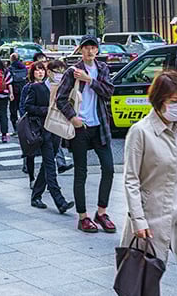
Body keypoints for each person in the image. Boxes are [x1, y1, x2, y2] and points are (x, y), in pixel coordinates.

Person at [121, 71, 177, 295]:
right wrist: (138, 220)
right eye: (174, 102)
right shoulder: (140, 132)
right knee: (145, 283)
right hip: (150, 216)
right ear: (159, 100)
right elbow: (131, 179)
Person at [56, 36, 116, 233]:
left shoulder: (102, 69)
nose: (90, 51)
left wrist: (90, 80)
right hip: (80, 127)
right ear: (80, 50)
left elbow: (109, 92)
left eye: (93, 47)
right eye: (86, 48)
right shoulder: (72, 72)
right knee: (81, 172)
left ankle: (102, 211)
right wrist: (73, 118)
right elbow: (61, 99)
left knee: (108, 168)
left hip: (100, 126)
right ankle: (83, 217)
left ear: (97, 50)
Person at [20, 60, 71, 212]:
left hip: (57, 131)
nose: (59, 75)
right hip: (43, 131)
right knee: (50, 165)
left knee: (46, 165)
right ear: (49, 73)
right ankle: (60, 201)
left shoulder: (64, 89)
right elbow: (28, 107)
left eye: (62, 72)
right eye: (56, 72)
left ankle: (36, 195)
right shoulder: (36, 88)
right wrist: (46, 110)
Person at [7, 53, 28, 133]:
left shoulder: (10, 69)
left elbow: (9, 82)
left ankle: (15, 128)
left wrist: (10, 93)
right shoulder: (24, 68)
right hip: (23, 90)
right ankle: (25, 126)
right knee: (22, 109)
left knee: (13, 110)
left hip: (14, 91)